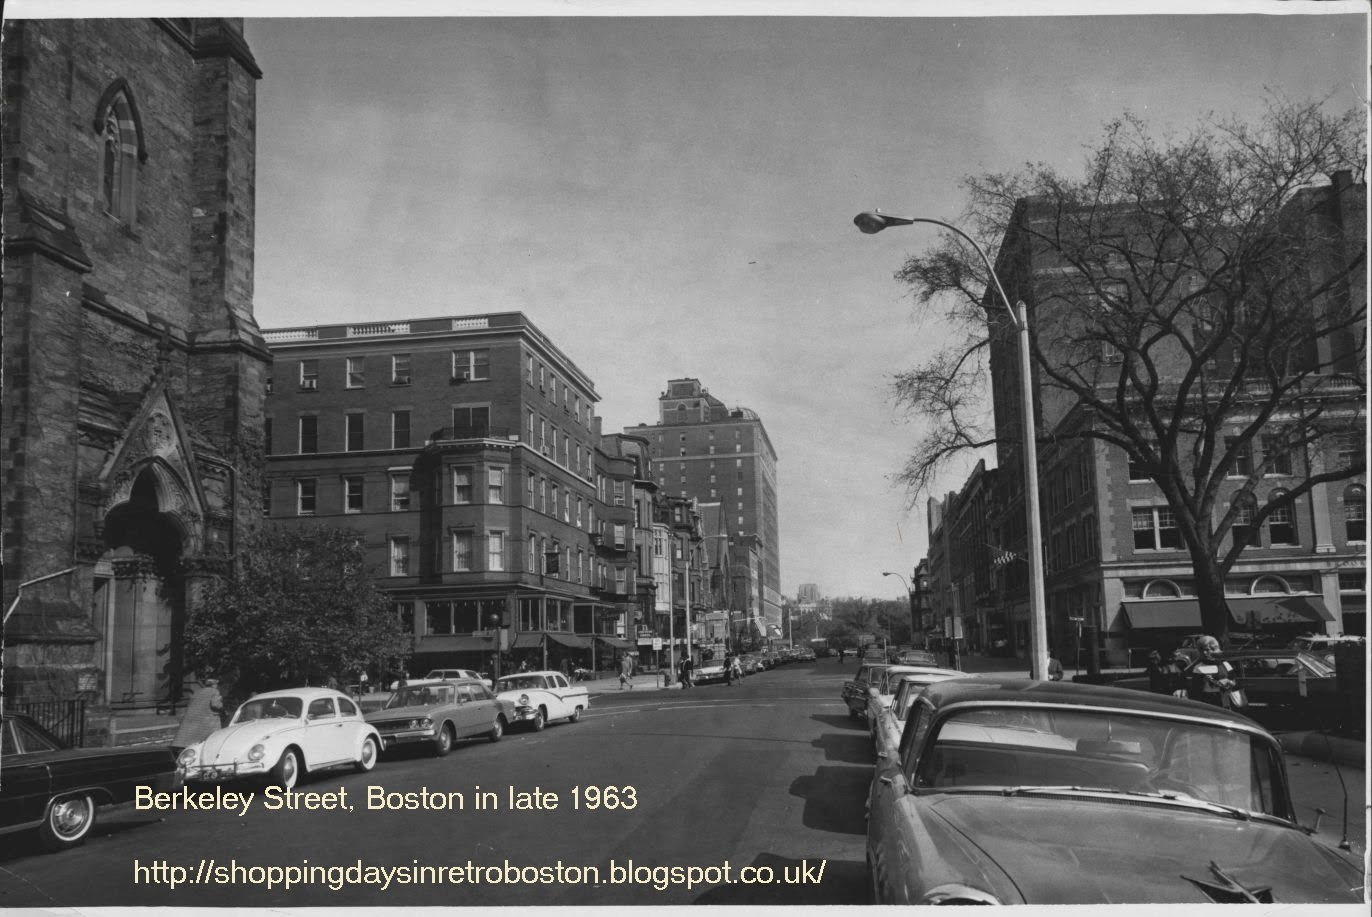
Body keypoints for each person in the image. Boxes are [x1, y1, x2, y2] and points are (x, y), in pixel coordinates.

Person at [1177, 635, 1241, 707]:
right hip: (1208, 701)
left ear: (1216, 649)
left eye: (1208, 650)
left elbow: (1235, 682)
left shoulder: (1225, 664)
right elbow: (1195, 691)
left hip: (1225, 699)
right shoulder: (1199, 667)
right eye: (1203, 650)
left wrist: (1229, 682)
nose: (1205, 653)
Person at [174, 676, 224, 747]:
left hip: (194, 716)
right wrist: (221, 705)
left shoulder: (198, 691)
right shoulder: (214, 691)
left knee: (191, 735)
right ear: (214, 685)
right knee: (210, 736)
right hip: (208, 718)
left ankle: (183, 745)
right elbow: (215, 705)